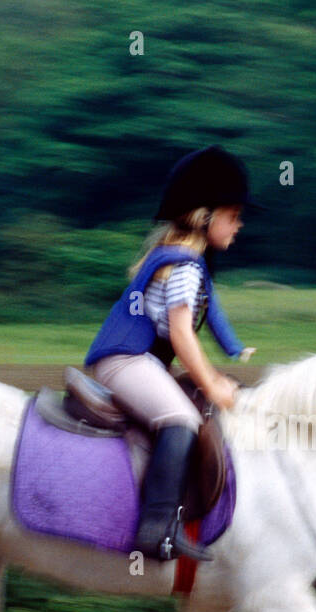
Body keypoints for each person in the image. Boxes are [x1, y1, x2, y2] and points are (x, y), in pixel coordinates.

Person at [84, 145, 259, 562]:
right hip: (125, 361)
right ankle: (157, 528)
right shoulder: (184, 266)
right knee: (181, 419)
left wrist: (227, 360)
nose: (239, 225)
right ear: (205, 216)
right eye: (233, 215)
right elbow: (182, 336)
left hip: (136, 361)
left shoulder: (185, 261)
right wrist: (213, 385)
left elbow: (195, 327)